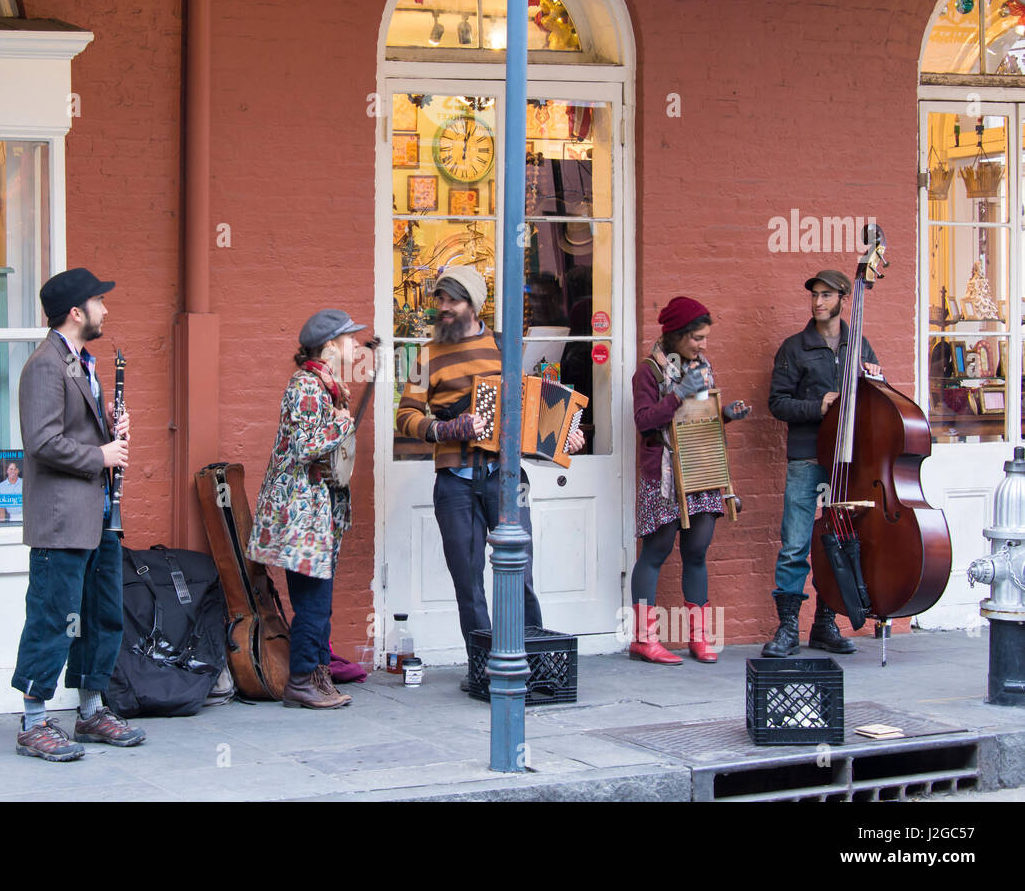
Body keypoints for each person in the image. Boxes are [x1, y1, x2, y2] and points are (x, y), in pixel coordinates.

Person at [395, 265, 585, 691]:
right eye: (440, 300)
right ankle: (482, 669)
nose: (444, 308)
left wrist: (564, 434)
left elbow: (532, 408)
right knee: (468, 581)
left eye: (453, 300)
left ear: (473, 305)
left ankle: (535, 664)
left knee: (519, 574)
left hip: (504, 478)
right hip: (455, 482)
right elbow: (405, 415)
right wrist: (442, 430)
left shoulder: (505, 346)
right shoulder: (426, 356)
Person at [10, 267, 145, 761]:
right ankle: (34, 723)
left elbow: (76, 429)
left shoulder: (81, 362)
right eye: (98, 302)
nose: (105, 310)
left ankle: (90, 712)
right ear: (75, 311)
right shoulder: (45, 365)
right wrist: (102, 456)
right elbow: (42, 442)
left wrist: (111, 429)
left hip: (98, 515)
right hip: (63, 520)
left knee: (100, 616)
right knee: (54, 617)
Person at [247, 309, 365, 709]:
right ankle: (301, 679)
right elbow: (305, 447)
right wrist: (343, 423)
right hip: (301, 511)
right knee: (314, 598)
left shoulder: (325, 385)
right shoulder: (306, 386)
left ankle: (315, 674)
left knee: (318, 596)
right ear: (330, 345)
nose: (355, 345)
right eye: (349, 339)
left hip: (315, 508)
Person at [763, 269, 881, 657]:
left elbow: (876, 398)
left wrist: (876, 380)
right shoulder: (794, 347)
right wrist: (819, 405)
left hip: (847, 461)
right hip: (807, 455)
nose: (818, 302)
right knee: (795, 544)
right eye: (814, 295)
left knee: (840, 539)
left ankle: (825, 624)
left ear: (843, 299)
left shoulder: (858, 344)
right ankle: (787, 629)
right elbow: (777, 403)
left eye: (826, 295)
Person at [628, 297, 750, 665]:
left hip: (700, 470)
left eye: (705, 337)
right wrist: (678, 394)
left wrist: (725, 414)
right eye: (696, 338)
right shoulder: (648, 372)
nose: (702, 345)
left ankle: (699, 638)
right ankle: (643, 639)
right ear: (677, 335)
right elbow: (645, 421)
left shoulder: (704, 368)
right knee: (656, 553)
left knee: (696, 553)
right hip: (664, 476)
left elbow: (700, 419)